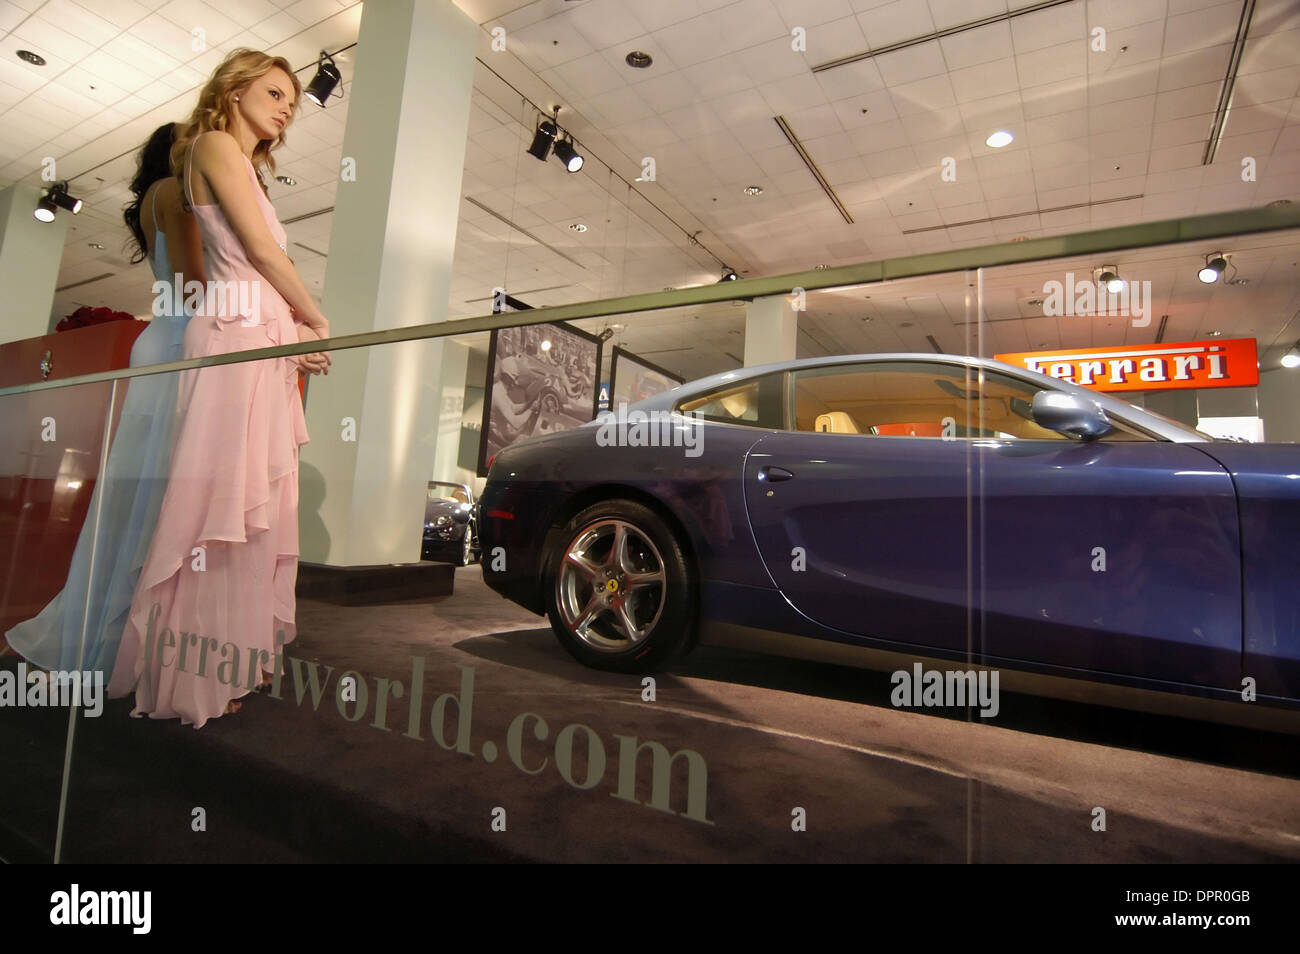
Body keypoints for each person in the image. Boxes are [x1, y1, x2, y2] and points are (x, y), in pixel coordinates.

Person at [109, 49, 331, 727]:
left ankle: (234, 656)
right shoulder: (210, 144)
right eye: (274, 91)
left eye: (292, 98)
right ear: (233, 91)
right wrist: (315, 319)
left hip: (259, 335)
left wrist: (292, 328)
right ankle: (192, 675)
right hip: (235, 329)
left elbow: (270, 260)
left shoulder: (249, 169)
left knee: (252, 505)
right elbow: (262, 257)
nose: (288, 105)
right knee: (219, 507)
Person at [5, 123, 203, 678]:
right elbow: (195, 284)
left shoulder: (162, 197)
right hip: (181, 341)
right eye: (193, 136)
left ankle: (131, 634)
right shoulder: (172, 194)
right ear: (173, 151)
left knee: (150, 493)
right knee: (154, 494)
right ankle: (128, 640)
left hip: (172, 340)